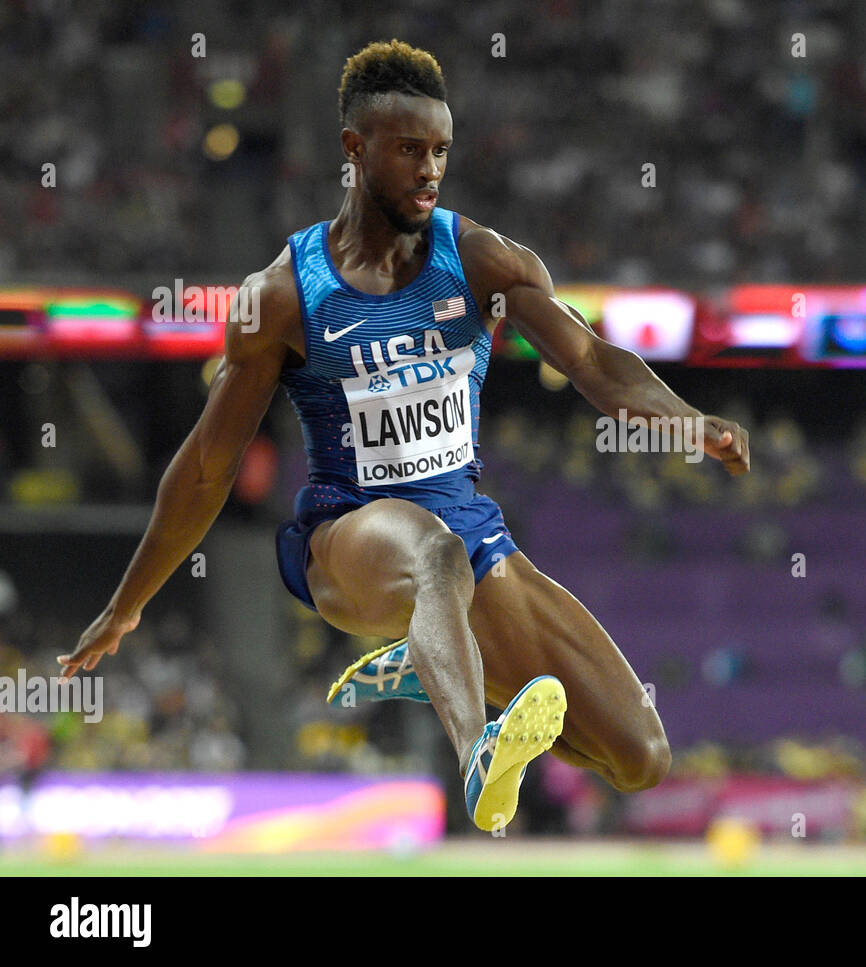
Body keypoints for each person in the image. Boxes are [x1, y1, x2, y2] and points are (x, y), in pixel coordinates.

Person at [60, 39, 750, 832]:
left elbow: (592, 360)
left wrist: (687, 421)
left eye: (442, 151)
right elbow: (209, 466)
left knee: (640, 755)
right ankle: (476, 748)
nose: (430, 169)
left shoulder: (486, 261)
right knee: (430, 554)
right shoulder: (284, 296)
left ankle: (432, 661)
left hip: (471, 537)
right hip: (347, 540)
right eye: (410, 150)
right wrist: (126, 604)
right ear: (355, 151)